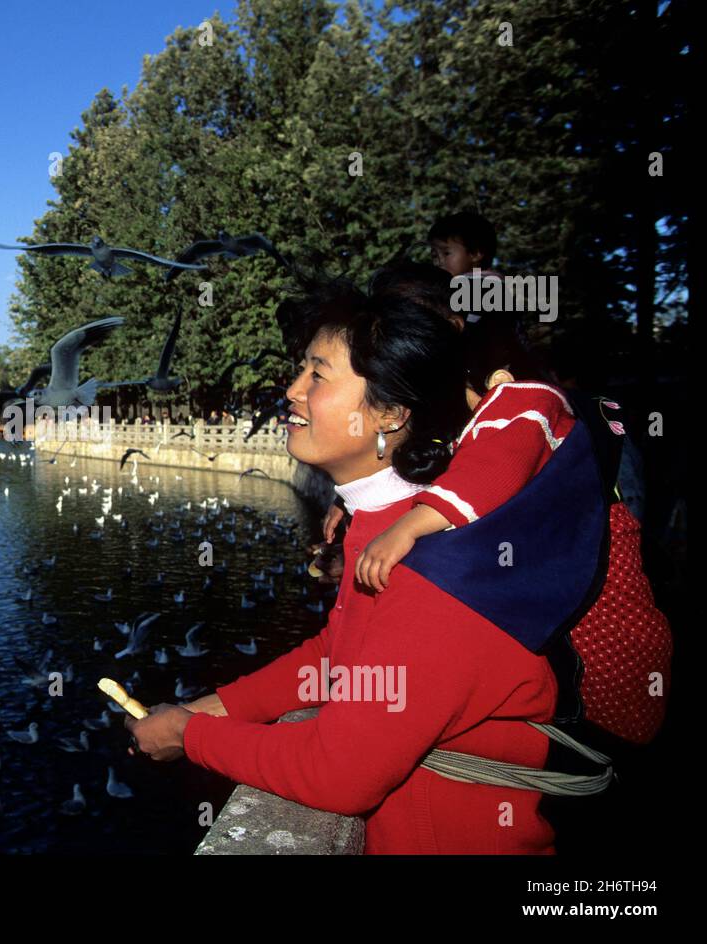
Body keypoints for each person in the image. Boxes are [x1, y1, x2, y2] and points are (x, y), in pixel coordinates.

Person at [126, 278, 561, 854]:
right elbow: (340, 654)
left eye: (317, 375)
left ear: (387, 413)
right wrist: (208, 707)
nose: (291, 390)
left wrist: (189, 734)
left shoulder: (436, 556)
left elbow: (339, 774)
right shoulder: (384, 525)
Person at [353, 316, 672, 746]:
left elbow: (490, 472)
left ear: (496, 379)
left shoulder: (522, 401)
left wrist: (408, 526)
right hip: (610, 617)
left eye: (459, 394)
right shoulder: (554, 412)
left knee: (603, 700)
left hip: (605, 623)